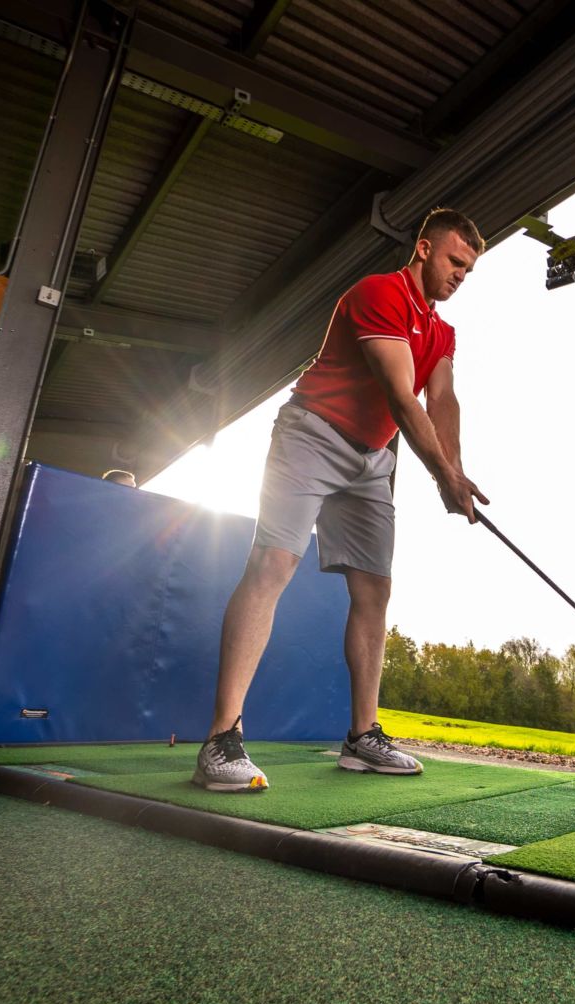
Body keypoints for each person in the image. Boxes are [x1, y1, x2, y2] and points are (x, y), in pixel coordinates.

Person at [192, 208, 488, 792]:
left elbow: (442, 401)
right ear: (425, 250)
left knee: (375, 589)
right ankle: (221, 741)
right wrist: (442, 479)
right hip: (312, 433)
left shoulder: (443, 332)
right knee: (273, 563)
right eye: (455, 261)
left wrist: (455, 471)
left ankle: (362, 738)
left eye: (469, 270)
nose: (460, 276)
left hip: (373, 459)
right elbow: (403, 398)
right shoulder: (379, 293)